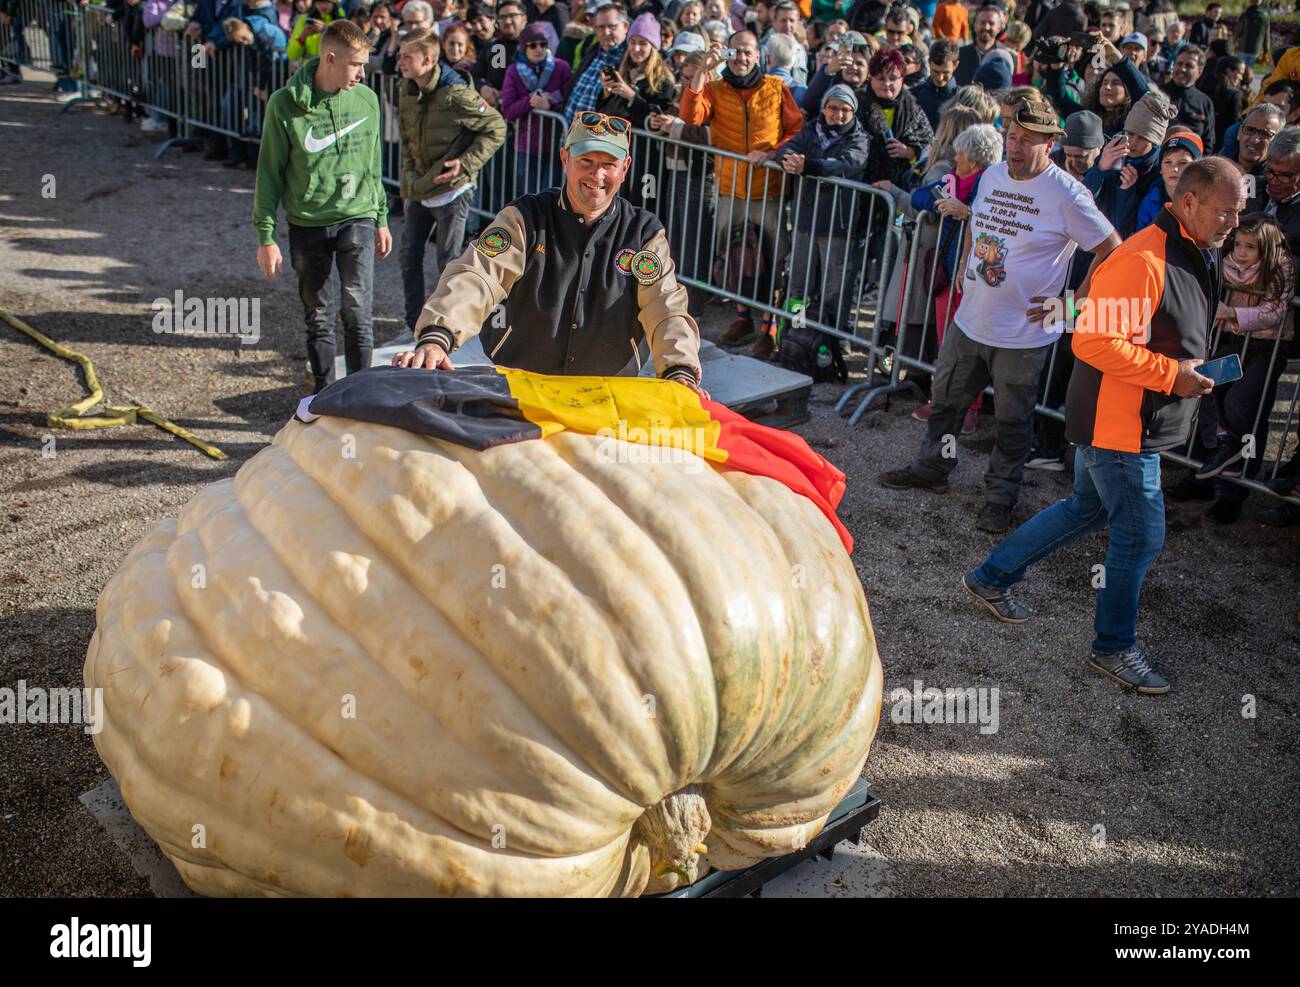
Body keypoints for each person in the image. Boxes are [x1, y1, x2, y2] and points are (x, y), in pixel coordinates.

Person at [961, 156, 1244, 695]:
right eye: (1225, 212)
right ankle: (1113, 647)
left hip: (1131, 420)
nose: (1233, 223)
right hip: (1120, 425)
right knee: (1139, 537)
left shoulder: (1191, 251)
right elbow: (1092, 341)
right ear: (1188, 203)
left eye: (1238, 212)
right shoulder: (1142, 260)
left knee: (1086, 508)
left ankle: (991, 577)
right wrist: (1171, 375)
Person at [879, 102, 1121, 534]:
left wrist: (1071, 306)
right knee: (948, 403)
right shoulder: (991, 176)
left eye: (1028, 139)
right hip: (971, 319)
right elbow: (978, 218)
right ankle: (934, 469)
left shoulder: (1067, 194)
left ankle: (999, 499)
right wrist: (967, 264)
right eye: (1011, 136)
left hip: (1023, 335)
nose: (1015, 146)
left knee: (1012, 422)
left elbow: (1112, 250)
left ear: (1051, 144)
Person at [392, 111, 704, 391]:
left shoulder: (644, 233)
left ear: (625, 167)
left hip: (606, 391)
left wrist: (679, 370)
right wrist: (438, 336)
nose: (597, 176)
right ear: (565, 158)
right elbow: (478, 275)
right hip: (520, 382)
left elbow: (664, 305)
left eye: (609, 165)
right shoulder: (525, 217)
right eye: (586, 162)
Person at [253, 19, 393, 393]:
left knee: (358, 312)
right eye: (355, 64)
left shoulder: (366, 99)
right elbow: (268, 173)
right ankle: (326, 398)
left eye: (365, 64)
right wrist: (266, 236)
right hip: (308, 222)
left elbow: (373, 163)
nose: (363, 73)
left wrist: (381, 216)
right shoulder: (284, 106)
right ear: (330, 58)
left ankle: (361, 398)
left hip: (357, 216)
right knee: (318, 316)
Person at [679, 34, 803, 348]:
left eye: (747, 52)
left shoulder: (776, 88)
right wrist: (704, 70)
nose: (741, 58)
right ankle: (742, 318)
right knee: (732, 257)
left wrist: (774, 153)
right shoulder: (715, 88)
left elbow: (797, 129)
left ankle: (768, 327)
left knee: (771, 259)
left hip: (768, 190)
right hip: (729, 188)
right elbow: (690, 116)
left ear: (758, 55)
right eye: (735, 52)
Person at [396, 29, 507, 336]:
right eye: (400, 54)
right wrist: (407, 186)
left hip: (453, 191)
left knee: (449, 261)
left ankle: (447, 325)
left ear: (428, 60)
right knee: (408, 257)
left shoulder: (456, 93)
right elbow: (407, 141)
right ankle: (413, 324)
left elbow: (496, 127)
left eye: (407, 56)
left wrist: (466, 164)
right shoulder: (404, 89)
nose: (400, 61)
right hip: (419, 189)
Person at [1192, 213, 1295, 524]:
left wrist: (1232, 311)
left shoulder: (1281, 269)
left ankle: (1235, 491)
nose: (1240, 252)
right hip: (1236, 341)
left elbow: (1274, 312)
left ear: (1267, 248)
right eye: (1237, 244)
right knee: (1209, 387)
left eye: (1250, 247)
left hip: (1268, 346)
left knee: (1245, 405)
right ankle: (1226, 450)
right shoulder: (1226, 262)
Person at [771, 83, 870, 355]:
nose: (838, 114)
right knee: (799, 282)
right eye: (833, 108)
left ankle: (831, 339)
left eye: (845, 110)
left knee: (834, 286)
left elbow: (849, 164)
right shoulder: (811, 128)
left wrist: (809, 166)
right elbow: (787, 148)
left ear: (853, 112)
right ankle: (794, 332)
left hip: (837, 223)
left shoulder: (859, 138)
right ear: (824, 108)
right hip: (806, 219)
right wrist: (788, 159)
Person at [1083, 89, 1178, 238]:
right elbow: (1081, 199)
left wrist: (1127, 192)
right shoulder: (1111, 155)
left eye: (1142, 138)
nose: (1133, 142)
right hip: (1094, 241)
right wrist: (1100, 168)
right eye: (1130, 134)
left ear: (1154, 141)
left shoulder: (1159, 171)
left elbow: (1131, 228)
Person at [501, 21, 573, 192]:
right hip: (526, 146)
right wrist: (530, 102)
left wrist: (550, 105)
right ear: (524, 48)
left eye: (543, 44)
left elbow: (570, 102)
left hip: (556, 144)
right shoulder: (513, 71)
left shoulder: (561, 67)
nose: (539, 49)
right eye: (533, 45)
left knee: (551, 195)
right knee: (526, 197)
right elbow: (508, 110)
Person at [566, 1, 629, 121]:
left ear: (625, 26)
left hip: (599, 136)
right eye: (601, 27)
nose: (606, 32)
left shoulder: (630, 60)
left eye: (612, 26)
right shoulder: (591, 51)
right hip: (570, 133)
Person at [1134, 128, 1200, 232]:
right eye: (1168, 162)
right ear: (1160, 169)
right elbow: (1141, 236)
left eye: (1183, 163)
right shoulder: (1150, 201)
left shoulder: (1205, 199)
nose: (1174, 169)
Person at [1159, 44, 1214, 148]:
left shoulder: (1205, 102)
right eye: (1179, 64)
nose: (1182, 69)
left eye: (1189, 66)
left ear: (1199, 72)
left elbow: (1208, 142)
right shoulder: (1157, 94)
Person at [474, 0, 527, 106]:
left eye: (512, 15)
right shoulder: (493, 48)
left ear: (524, 19)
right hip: (496, 115)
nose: (507, 21)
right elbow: (474, 77)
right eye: (502, 17)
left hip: (526, 115)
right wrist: (482, 88)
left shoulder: (536, 46)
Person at [955, 4, 1006, 88]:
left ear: (999, 28)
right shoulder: (960, 54)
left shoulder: (1004, 57)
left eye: (991, 23)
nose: (986, 27)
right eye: (982, 22)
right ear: (975, 26)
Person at [913, 36, 957, 130]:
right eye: (935, 71)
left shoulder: (963, 99)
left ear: (956, 65)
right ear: (929, 62)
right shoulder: (913, 96)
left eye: (945, 72)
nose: (940, 78)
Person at [1232, 0, 1269, 69]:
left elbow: (1237, 31)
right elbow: (1266, 36)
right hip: (1255, 49)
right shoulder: (1265, 16)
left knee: (1239, 70)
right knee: (1248, 72)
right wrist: (1266, 50)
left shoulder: (1245, 14)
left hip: (1242, 48)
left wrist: (1234, 43)